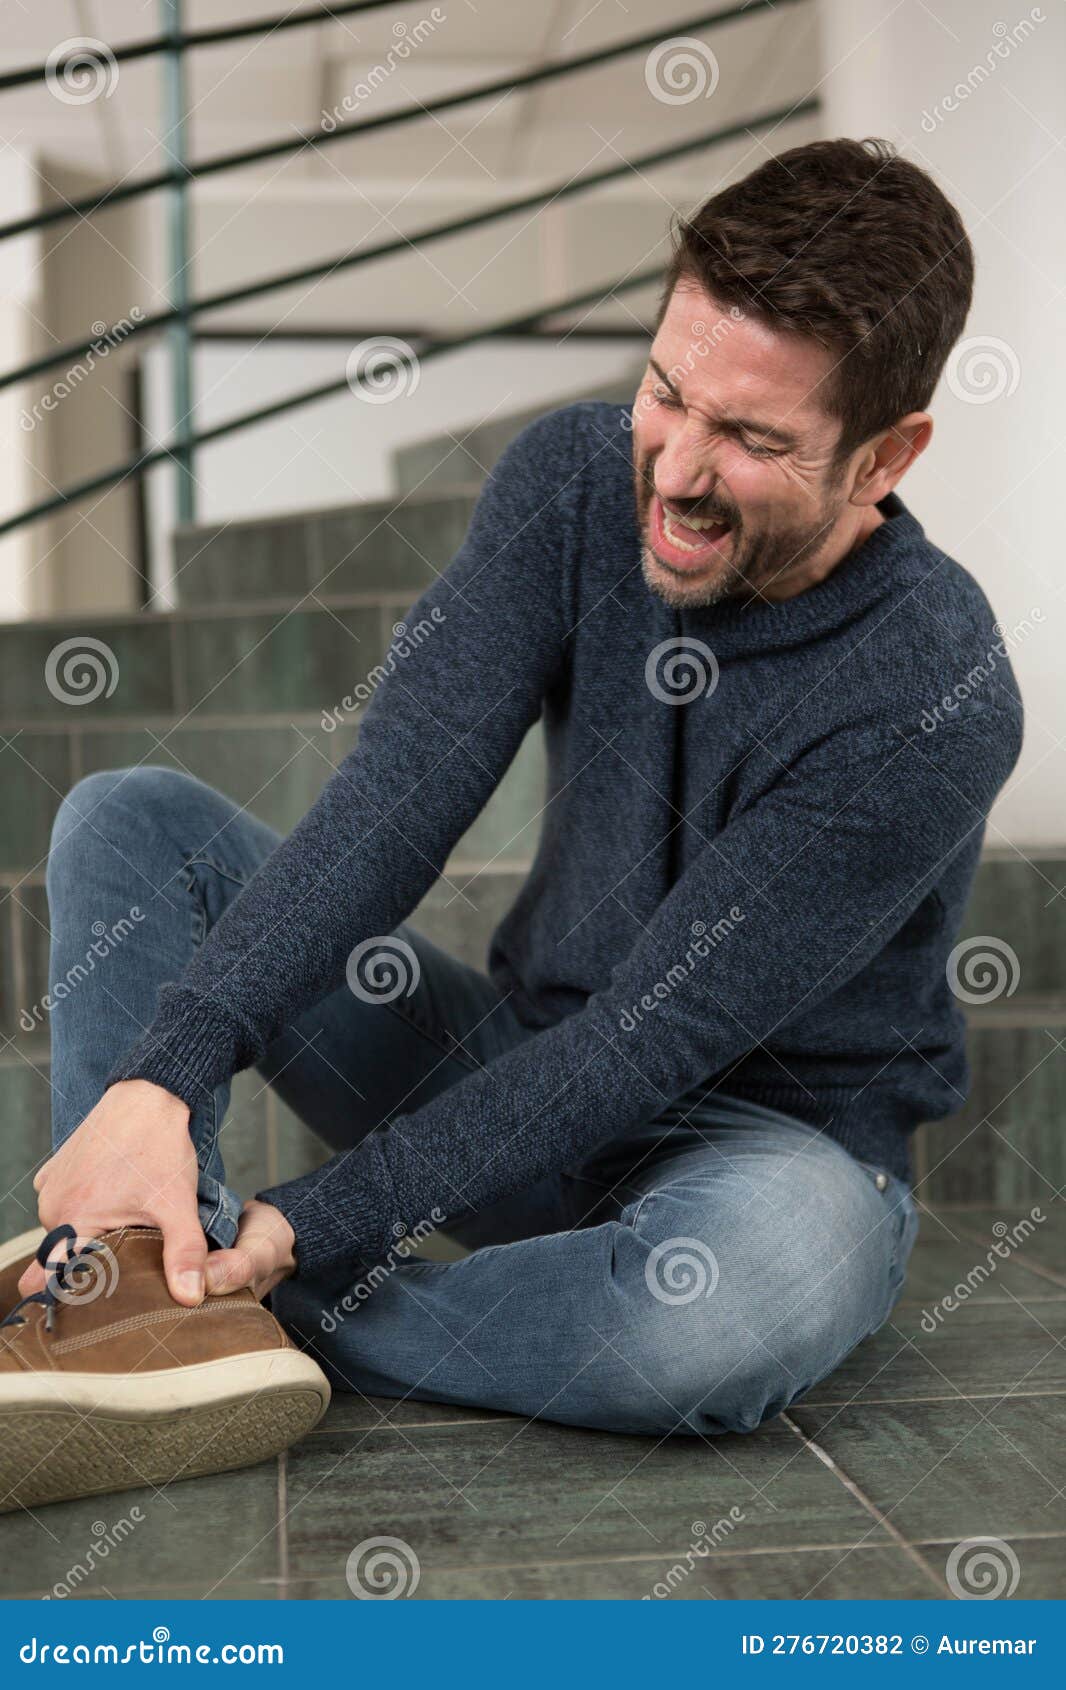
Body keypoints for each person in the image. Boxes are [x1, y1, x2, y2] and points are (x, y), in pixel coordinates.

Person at [0, 137, 1023, 1513]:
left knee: (722, 1314)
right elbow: (392, 804)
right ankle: (122, 1285)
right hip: (514, 1063)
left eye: (752, 438)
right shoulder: (571, 485)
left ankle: (219, 1312)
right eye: (667, 390)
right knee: (130, 821)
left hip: (767, 1154)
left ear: (883, 454)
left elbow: (650, 1038)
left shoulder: (932, 686)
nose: (673, 469)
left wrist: (306, 1224)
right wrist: (165, 1070)